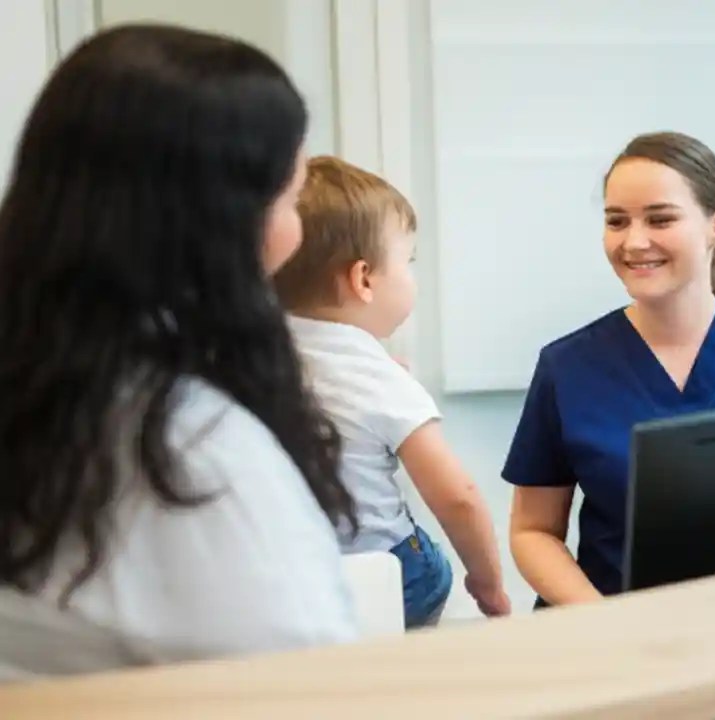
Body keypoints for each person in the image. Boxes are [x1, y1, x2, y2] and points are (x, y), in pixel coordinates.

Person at [0, 25, 359, 680]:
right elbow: (313, 691)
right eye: (291, 194)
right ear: (223, 219)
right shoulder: (192, 456)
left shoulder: (40, 394)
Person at [503, 131, 715, 605]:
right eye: (616, 221)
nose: (634, 241)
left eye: (660, 219)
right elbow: (533, 530)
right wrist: (602, 620)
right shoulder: (566, 368)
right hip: (612, 634)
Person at [273, 156, 511, 625]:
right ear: (364, 279)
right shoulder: (382, 382)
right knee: (431, 569)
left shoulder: (256, 355)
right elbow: (456, 496)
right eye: (409, 261)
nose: (411, 275)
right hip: (392, 571)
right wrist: (488, 583)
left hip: (294, 575)